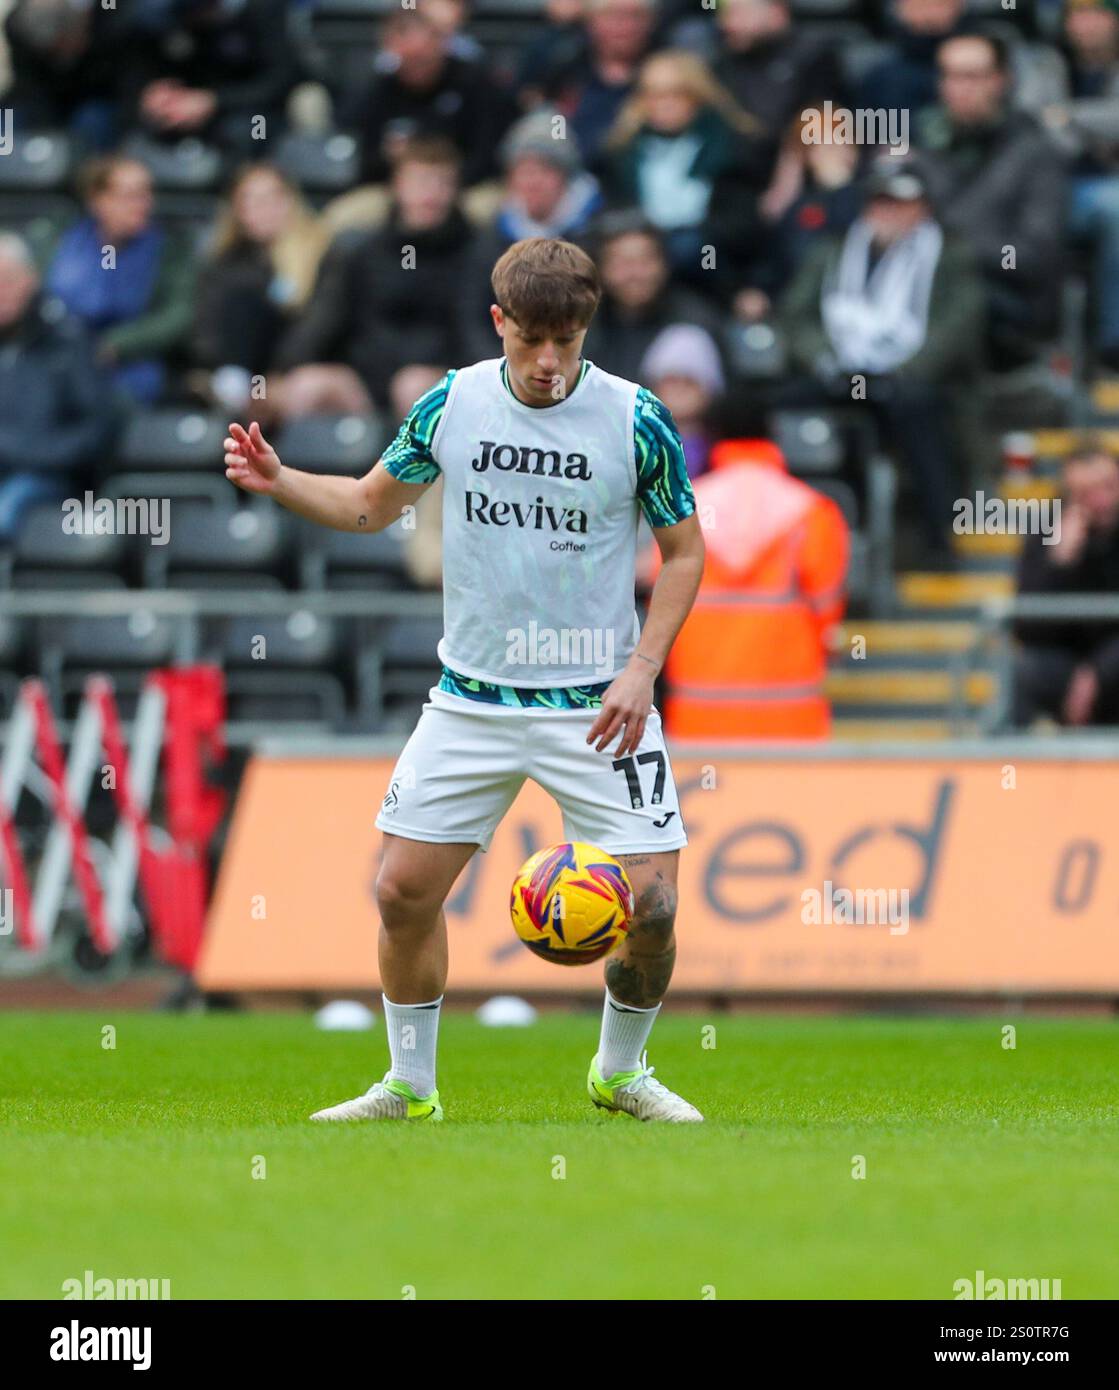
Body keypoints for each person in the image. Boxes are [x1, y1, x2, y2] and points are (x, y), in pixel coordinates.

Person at [223, 237, 708, 1123]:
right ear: (500, 324)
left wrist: (642, 670)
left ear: (587, 328)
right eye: (531, 340)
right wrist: (280, 478)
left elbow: (683, 553)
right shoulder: (453, 402)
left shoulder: (635, 418)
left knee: (655, 905)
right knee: (400, 892)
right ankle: (409, 1087)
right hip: (473, 699)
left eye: (567, 339)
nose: (550, 361)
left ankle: (620, 1073)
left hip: (597, 703)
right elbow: (372, 504)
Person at [779, 162, 984, 561]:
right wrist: (823, 357)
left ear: (923, 209)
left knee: (920, 412)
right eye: (881, 203)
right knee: (779, 406)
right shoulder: (833, 252)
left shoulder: (949, 255)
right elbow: (795, 316)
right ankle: (802, 531)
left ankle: (937, 537)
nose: (889, 214)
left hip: (915, 382)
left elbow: (959, 325)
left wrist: (904, 371)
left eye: (901, 204)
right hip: (841, 373)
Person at [914, 30, 1067, 366]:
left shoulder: (1035, 152)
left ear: (1001, 80)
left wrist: (948, 246)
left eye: (971, 76)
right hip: (922, 293)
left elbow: (1031, 256)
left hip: (1005, 306)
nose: (958, 88)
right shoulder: (919, 146)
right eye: (949, 75)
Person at [44, 155, 196, 406]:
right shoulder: (59, 238)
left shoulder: (170, 248)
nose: (144, 204)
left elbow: (178, 315)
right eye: (131, 196)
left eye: (147, 194)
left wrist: (116, 345)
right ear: (98, 200)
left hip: (131, 364)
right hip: (57, 355)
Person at [0, 232, 119, 543]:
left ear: (30, 280)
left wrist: (33, 454)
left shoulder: (68, 341)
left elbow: (95, 428)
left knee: (7, 507)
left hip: (48, 477)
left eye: (7, 279)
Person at [1013, 439, 1119, 726]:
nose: (1102, 501)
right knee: (1024, 670)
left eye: (1109, 486)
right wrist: (1059, 564)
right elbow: (1025, 627)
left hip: (1111, 665)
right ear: (1069, 496)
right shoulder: (1046, 531)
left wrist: (1097, 673)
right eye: (1087, 493)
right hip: (1067, 665)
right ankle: (1012, 760)